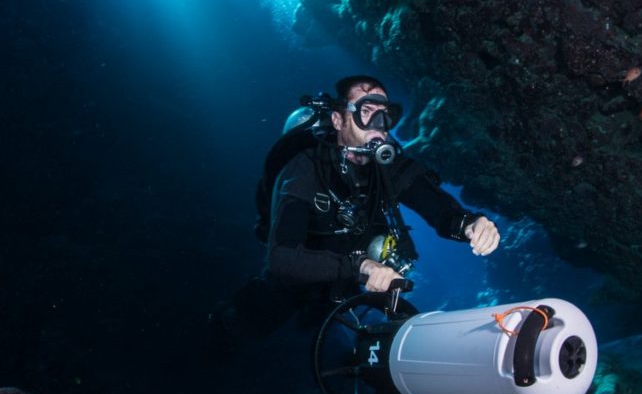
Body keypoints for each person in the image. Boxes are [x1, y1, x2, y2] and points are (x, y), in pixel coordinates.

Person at [211, 74, 500, 344]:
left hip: (346, 282)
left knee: (323, 328)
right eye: (366, 111)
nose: (378, 123)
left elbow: (437, 208)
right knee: (246, 324)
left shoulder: (389, 165)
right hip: (296, 279)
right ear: (338, 120)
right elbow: (282, 258)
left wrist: (469, 224)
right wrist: (361, 267)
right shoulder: (304, 170)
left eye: (385, 114)